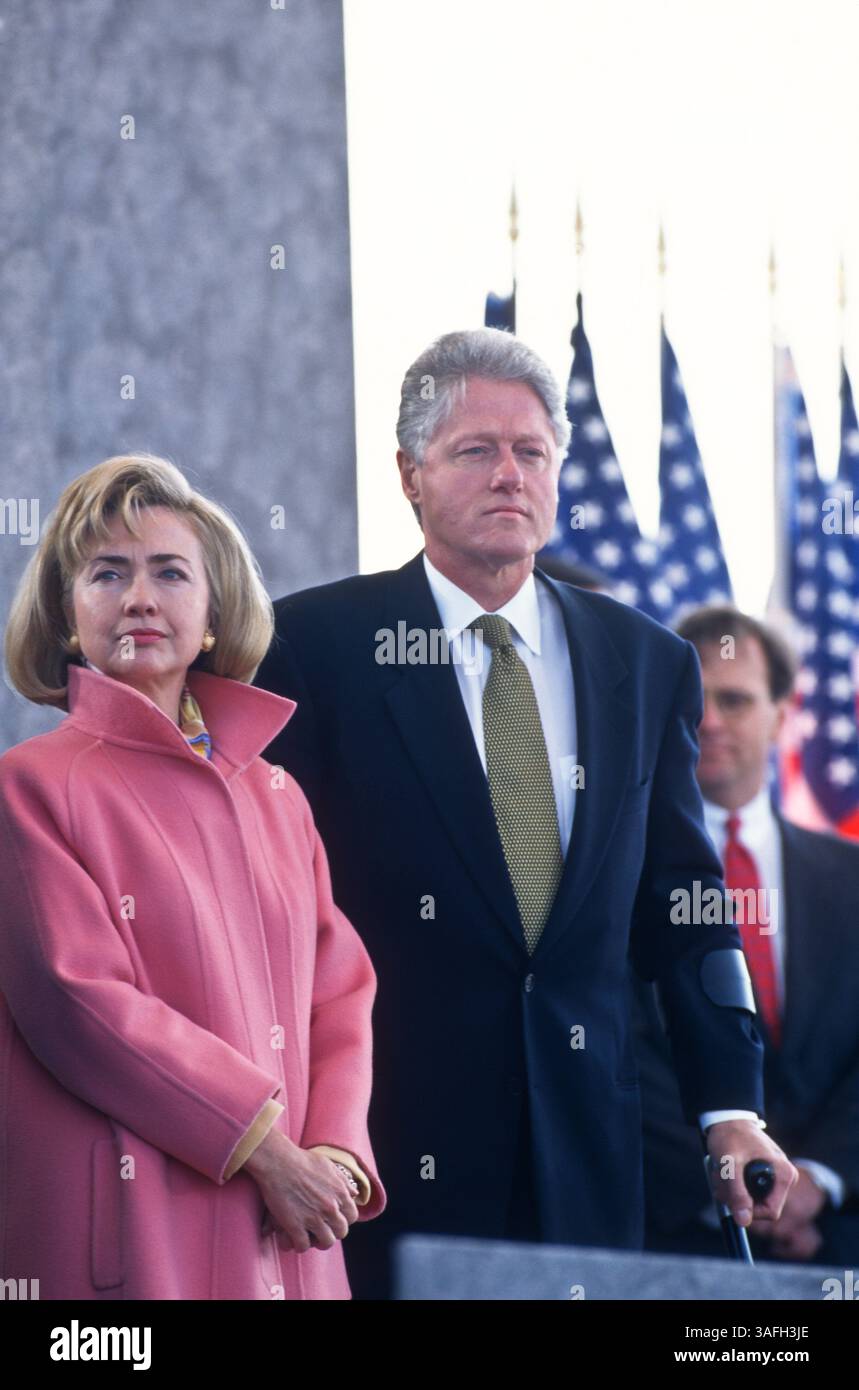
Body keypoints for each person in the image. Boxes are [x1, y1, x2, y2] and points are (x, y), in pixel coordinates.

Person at [253, 328, 796, 1298]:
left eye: (531, 452)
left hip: (586, 1156)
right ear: (409, 473)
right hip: (383, 1153)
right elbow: (266, 913)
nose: (510, 474)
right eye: (474, 450)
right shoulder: (312, 647)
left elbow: (683, 900)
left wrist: (727, 1105)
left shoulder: (644, 659)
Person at [0, 454, 385, 1300]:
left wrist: (332, 1154)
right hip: (132, 1244)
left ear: (212, 614)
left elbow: (341, 993)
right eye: (107, 574)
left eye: (170, 572)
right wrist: (268, 1150)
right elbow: (80, 1002)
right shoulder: (26, 785)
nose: (139, 597)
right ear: (68, 617)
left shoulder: (277, 794)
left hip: (294, 1229)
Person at [634, 605, 859, 1264]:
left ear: (782, 715)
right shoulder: (612, 878)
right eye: (692, 701)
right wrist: (727, 1190)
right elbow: (614, 1047)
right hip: (669, 1241)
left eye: (733, 700)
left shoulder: (850, 876)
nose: (708, 721)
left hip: (833, 1243)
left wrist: (813, 1182)